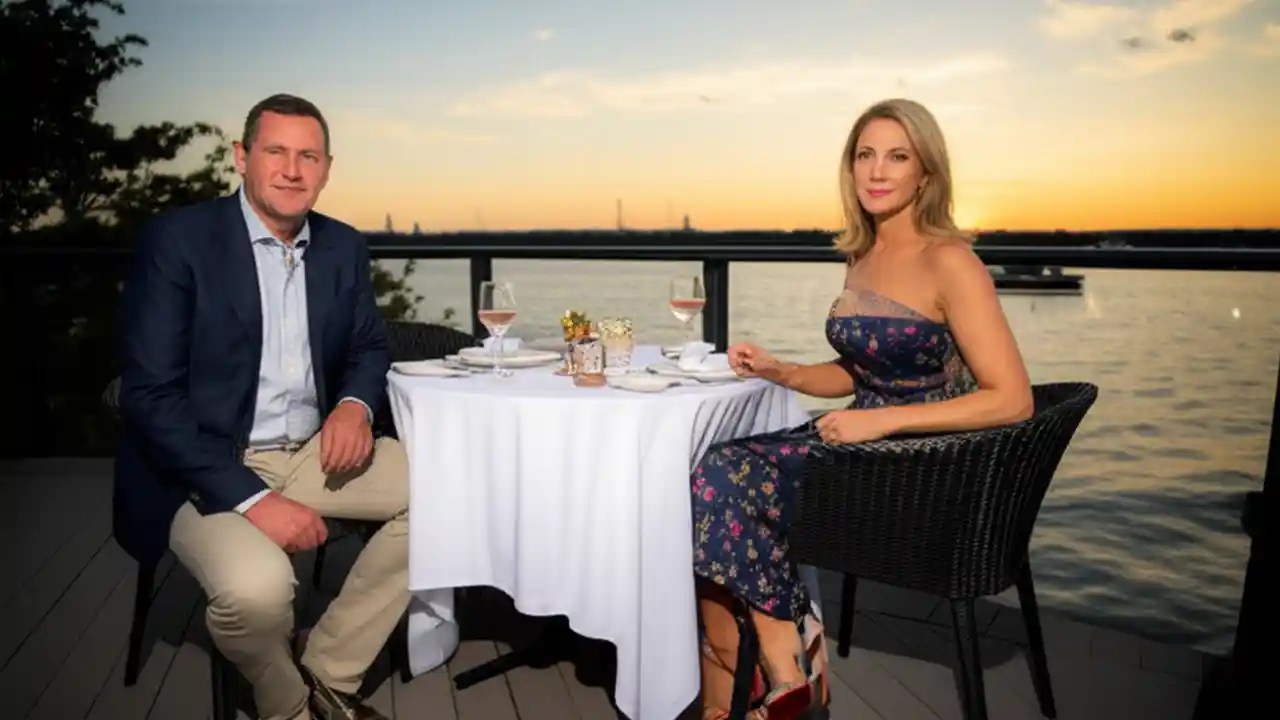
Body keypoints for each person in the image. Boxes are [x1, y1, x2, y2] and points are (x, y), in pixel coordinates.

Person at [691, 98, 1034, 719]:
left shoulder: (950, 260)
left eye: (897, 157)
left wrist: (878, 420)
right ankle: (787, 658)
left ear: (925, 173)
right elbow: (861, 370)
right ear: (850, 169)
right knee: (713, 465)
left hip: (921, 467)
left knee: (723, 474)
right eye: (865, 155)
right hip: (860, 449)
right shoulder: (863, 254)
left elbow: (1012, 399)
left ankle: (782, 664)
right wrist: (785, 370)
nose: (878, 171)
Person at [116, 93, 407, 720]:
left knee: (455, 496)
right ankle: (288, 705)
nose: (292, 170)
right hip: (201, 466)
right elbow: (149, 397)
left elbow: (367, 346)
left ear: (328, 168)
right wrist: (255, 501)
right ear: (241, 158)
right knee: (258, 593)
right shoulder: (179, 241)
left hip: (310, 451)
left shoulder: (343, 246)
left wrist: (355, 403)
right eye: (275, 151)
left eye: (309, 156)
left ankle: (331, 670)